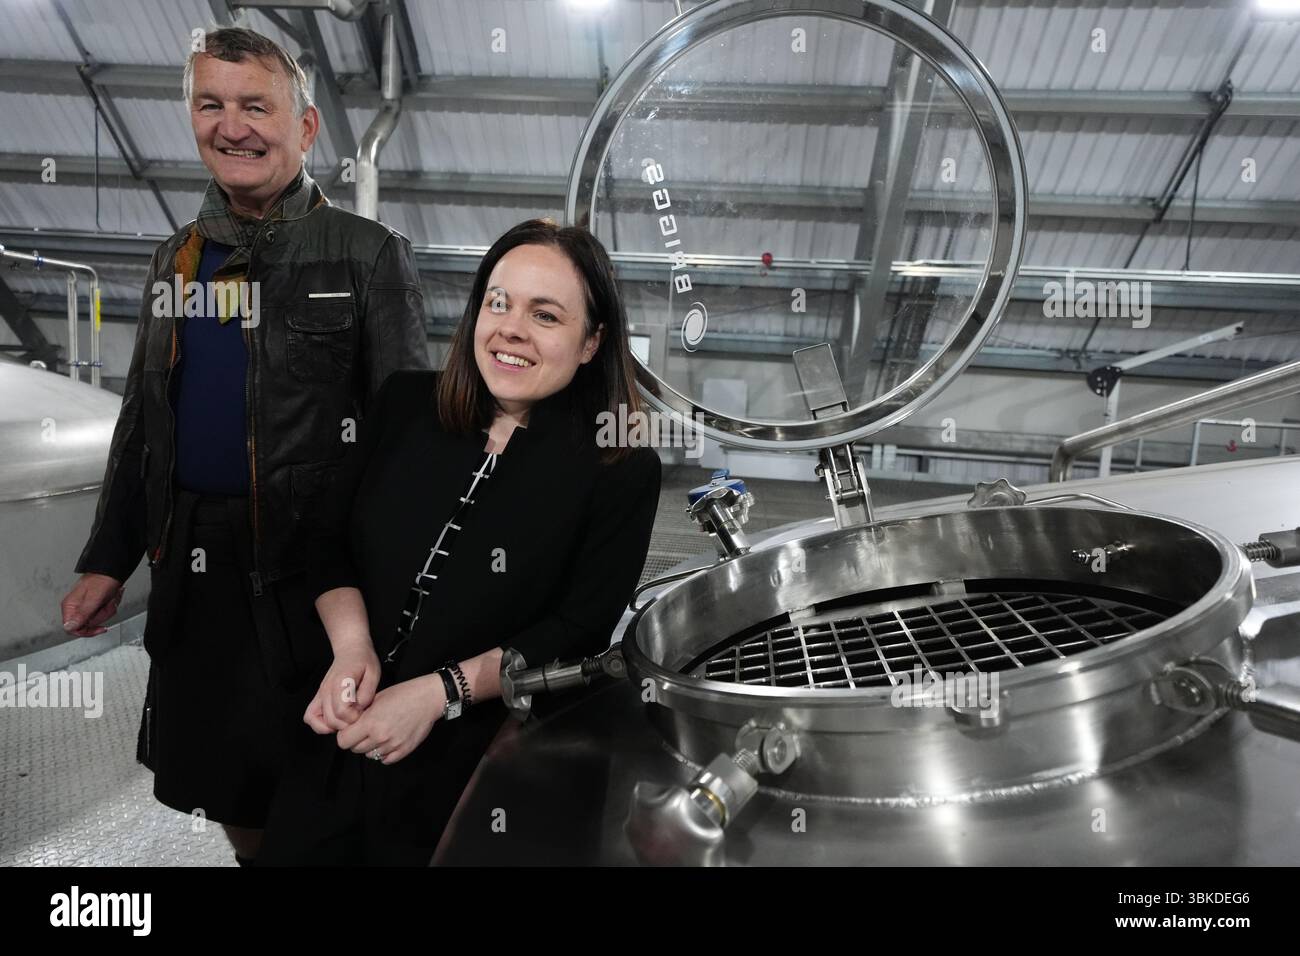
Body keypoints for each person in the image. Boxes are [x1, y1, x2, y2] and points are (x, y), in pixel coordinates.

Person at [58, 27, 430, 865]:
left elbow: (409, 448)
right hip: (194, 571)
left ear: (303, 129)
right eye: (211, 104)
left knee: (325, 782)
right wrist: (109, 555)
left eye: (256, 106)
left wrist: (395, 608)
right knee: (228, 784)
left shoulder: (370, 259)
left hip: (315, 580)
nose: (233, 126)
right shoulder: (176, 261)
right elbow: (144, 420)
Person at [256, 218, 662, 865]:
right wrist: (351, 650)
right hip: (339, 720)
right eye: (498, 302)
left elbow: (579, 626)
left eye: (546, 315)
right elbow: (325, 543)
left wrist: (439, 692)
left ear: (592, 342)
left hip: (482, 753)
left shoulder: (620, 466)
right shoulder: (404, 403)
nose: (511, 328)